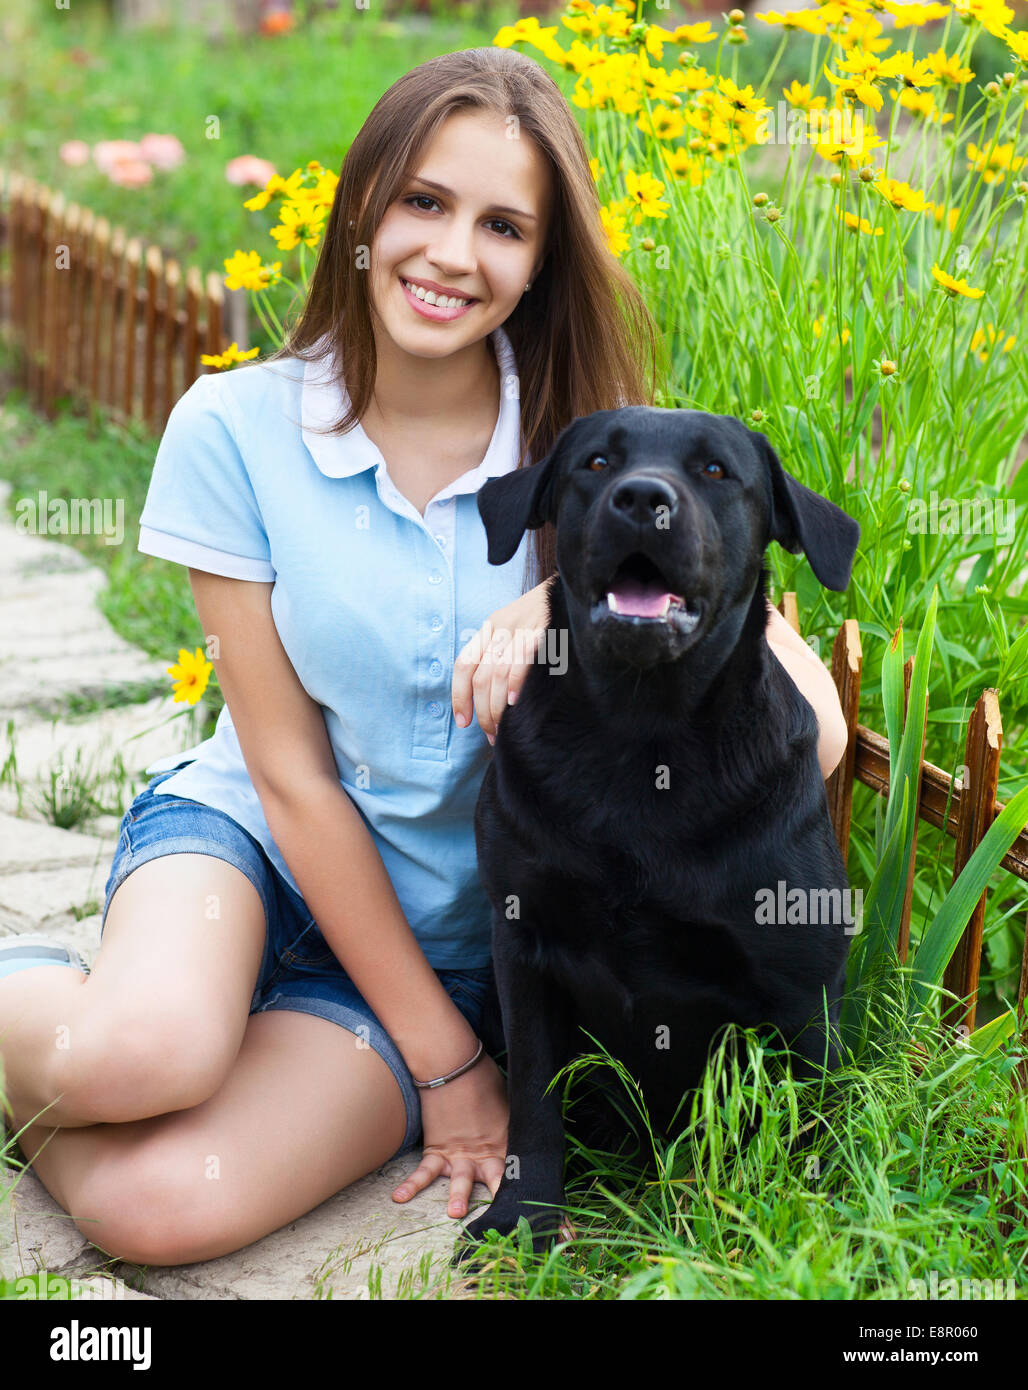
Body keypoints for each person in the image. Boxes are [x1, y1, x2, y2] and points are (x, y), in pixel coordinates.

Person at [0, 47, 849, 1269]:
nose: (453, 254)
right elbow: (288, 777)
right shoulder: (236, 427)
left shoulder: (601, 458)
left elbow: (806, 724)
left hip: (450, 941)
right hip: (255, 851)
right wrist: (452, 1074)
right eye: (423, 202)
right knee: (145, 1057)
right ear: (362, 204)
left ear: (538, 262)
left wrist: (556, 588)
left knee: (159, 1209)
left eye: (502, 225)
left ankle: (59, 1107)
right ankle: (58, 1003)